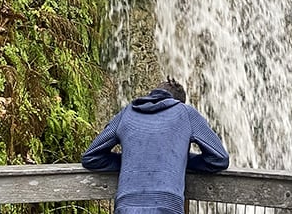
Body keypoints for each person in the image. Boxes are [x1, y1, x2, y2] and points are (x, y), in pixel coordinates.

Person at [81, 77, 229, 214]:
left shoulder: (126, 113)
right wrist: (181, 161)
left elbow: (91, 157)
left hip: (126, 206)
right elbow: (219, 158)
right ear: (179, 102)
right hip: (167, 206)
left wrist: (134, 160)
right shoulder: (185, 112)